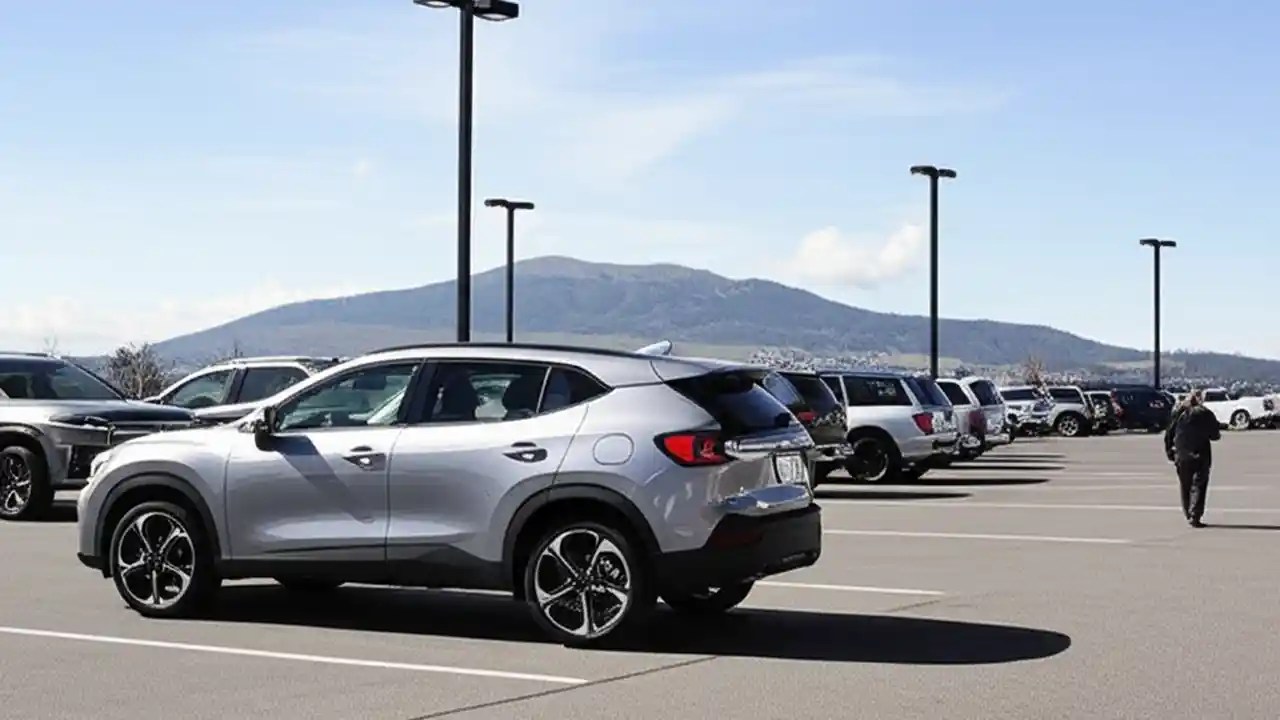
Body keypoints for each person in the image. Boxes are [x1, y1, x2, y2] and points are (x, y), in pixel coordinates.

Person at [1163, 389, 1221, 527]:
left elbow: (1168, 433)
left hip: (1181, 454)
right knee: (1199, 485)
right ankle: (1195, 515)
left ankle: (1189, 513)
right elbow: (1215, 435)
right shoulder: (1205, 413)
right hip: (1201, 454)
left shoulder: (1178, 413)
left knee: (1185, 485)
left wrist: (1169, 451)